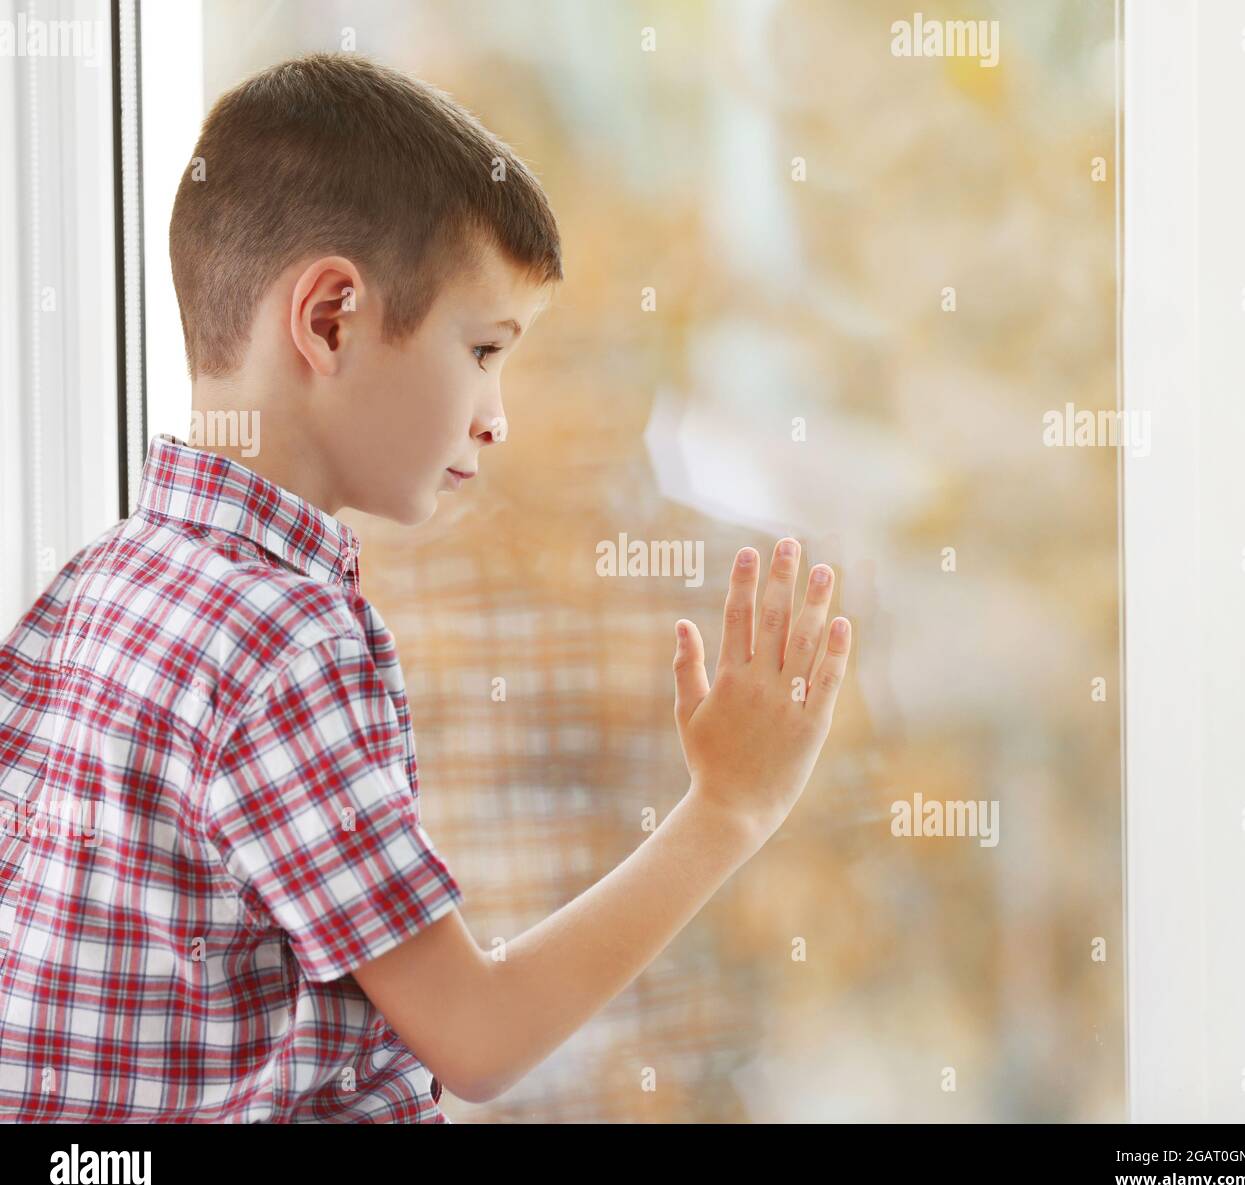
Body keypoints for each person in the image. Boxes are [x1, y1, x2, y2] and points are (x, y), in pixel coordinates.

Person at [0, 53, 851, 1122]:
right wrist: (728, 808)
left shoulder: (101, 584)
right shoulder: (285, 645)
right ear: (330, 321)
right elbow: (476, 1036)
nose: (498, 416)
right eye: (485, 348)